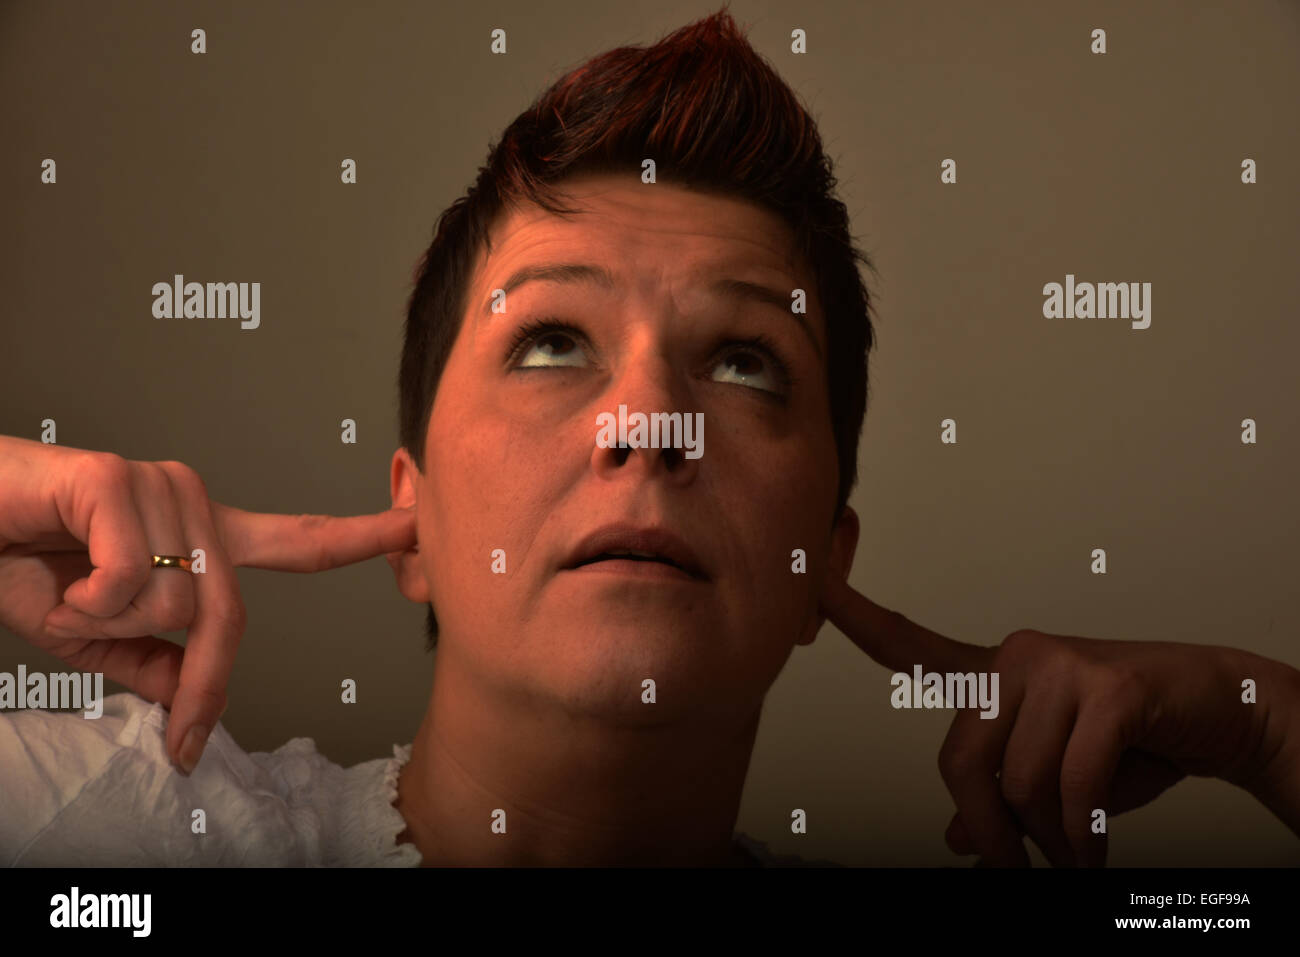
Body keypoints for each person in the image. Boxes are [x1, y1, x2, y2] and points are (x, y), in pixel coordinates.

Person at [1, 9, 1297, 868]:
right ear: (415, 520)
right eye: (552, 340)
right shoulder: (97, 823)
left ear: (822, 559)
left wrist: (1267, 729)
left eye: (743, 362)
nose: (647, 420)